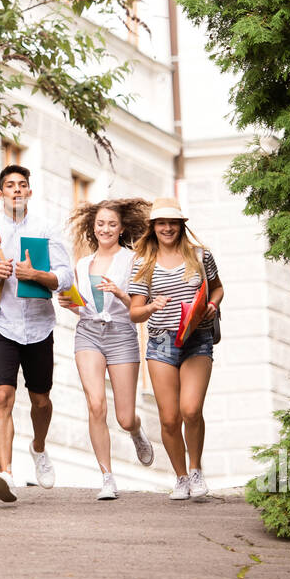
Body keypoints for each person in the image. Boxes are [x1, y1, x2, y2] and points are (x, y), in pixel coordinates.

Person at [0, 165, 73, 503]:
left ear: (29, 193)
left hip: (39, 326)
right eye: (9, 186)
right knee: (2, 397)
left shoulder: (46, 228)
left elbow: (66, 277)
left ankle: (38, 447)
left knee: (40, 400)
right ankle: (5, 472)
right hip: (3, 325)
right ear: (0, 194)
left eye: (21, 186)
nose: (16, 190)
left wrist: (37, 275)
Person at [58, 198, 155, 500]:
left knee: (124, 417)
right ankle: (107, 478)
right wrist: (70, 304)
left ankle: (136, 431)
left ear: (121, 228)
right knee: (96, 404)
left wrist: (120, 293)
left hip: (122, 335)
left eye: (112, 224)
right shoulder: (83, 264)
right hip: (88, 334)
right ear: (93, 227)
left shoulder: (133, 260)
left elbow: (141, 308)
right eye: (101, 224)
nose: (106, 229)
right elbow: (84, 309)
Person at [127, 197, 223, 501]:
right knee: (169, 419)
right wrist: (152, 306)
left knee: (191, 409)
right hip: (162, 342)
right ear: (153, 227)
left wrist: (211, 304)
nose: (167, 228)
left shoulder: (200, 255)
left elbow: (218, 287)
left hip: (197, 339)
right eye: (161, 223)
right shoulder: (142, 263)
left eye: (173, 223)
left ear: (181, 226)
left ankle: (196, 470)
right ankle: (180, 477)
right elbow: (134, 312)